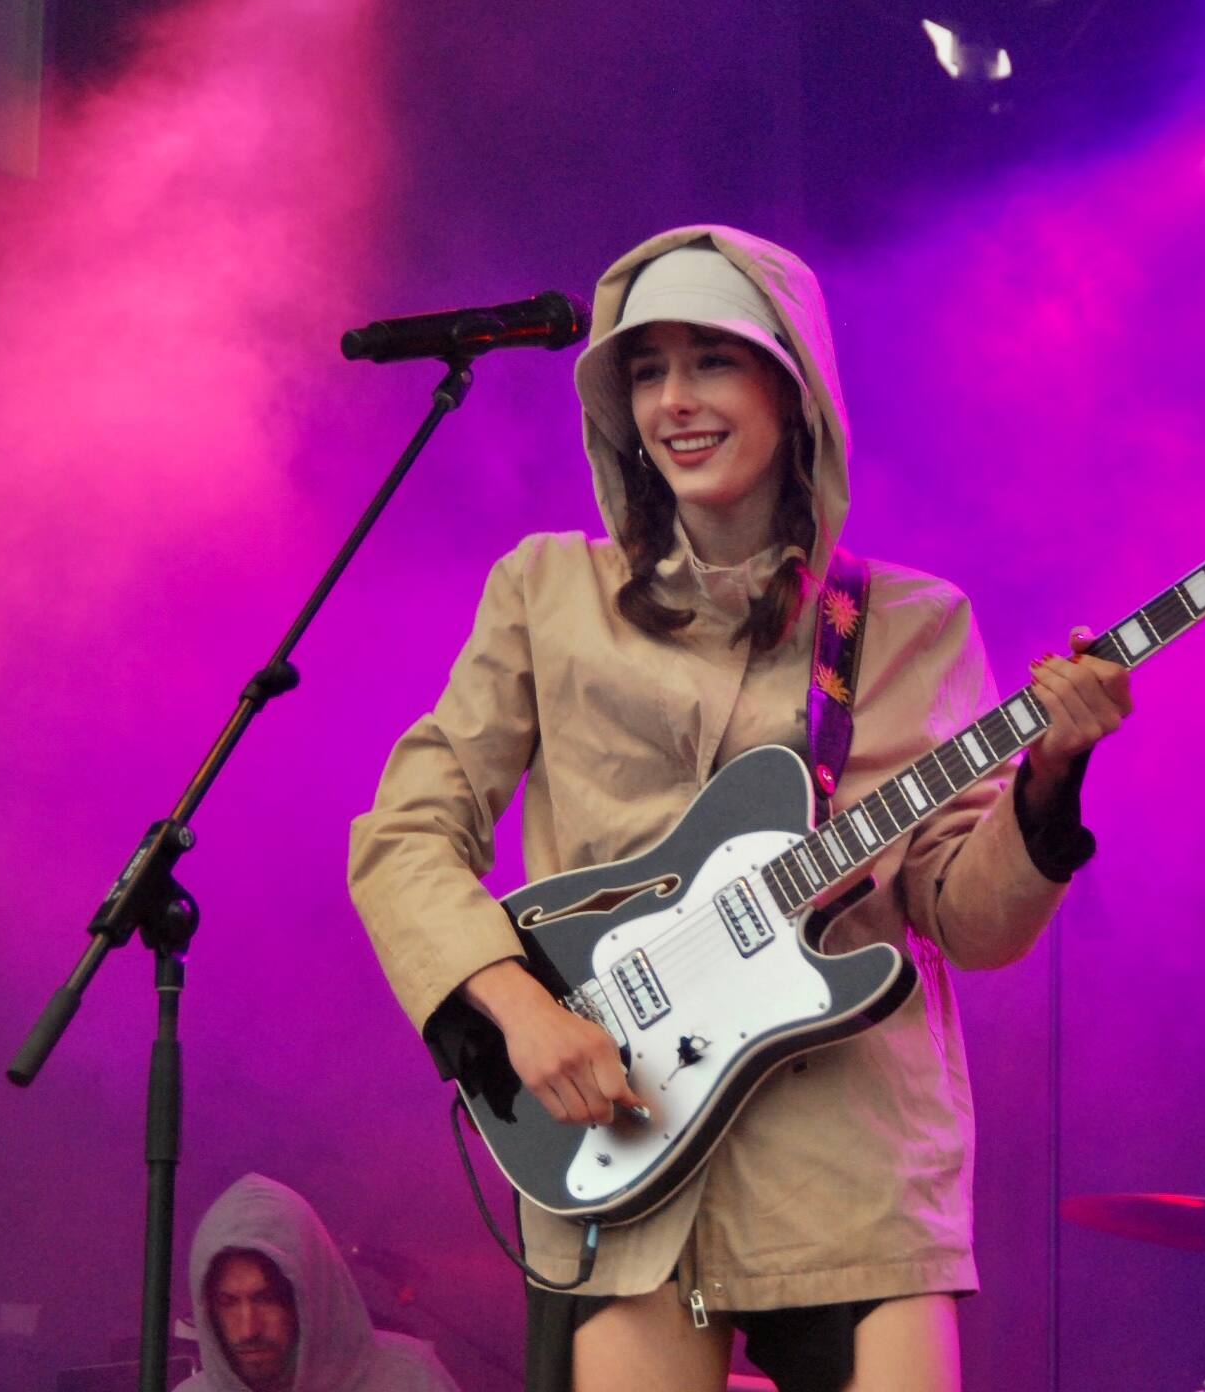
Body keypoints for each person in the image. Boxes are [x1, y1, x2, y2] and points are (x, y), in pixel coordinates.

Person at [348, 226, 1131, 1392]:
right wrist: (520, 1009)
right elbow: (407, 832)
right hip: (619, 1129)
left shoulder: (912, 625)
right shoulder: (544, 592)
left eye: (711, 361)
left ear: (791, 384)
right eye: (647, 370)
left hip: (846, 1164)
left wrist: (1050, 780)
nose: (675, 401)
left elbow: (971, 924)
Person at [178, 1173, 462, 1392]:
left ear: (309, 1293)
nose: (248, 1328)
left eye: (266, 1299)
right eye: (228, 1303)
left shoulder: (408, 1379)